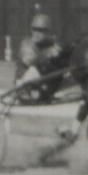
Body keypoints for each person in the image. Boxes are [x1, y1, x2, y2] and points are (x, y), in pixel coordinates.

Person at [16, 12, 80, 142]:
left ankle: (71, 129)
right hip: (26, 87)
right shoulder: (26, 44)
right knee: (40, 67)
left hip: (45, 85)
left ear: (48, 32)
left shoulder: (52, 44)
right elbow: (31, 61)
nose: (36, 33)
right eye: (34, 29)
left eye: (41, 31)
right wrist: (49, 54)